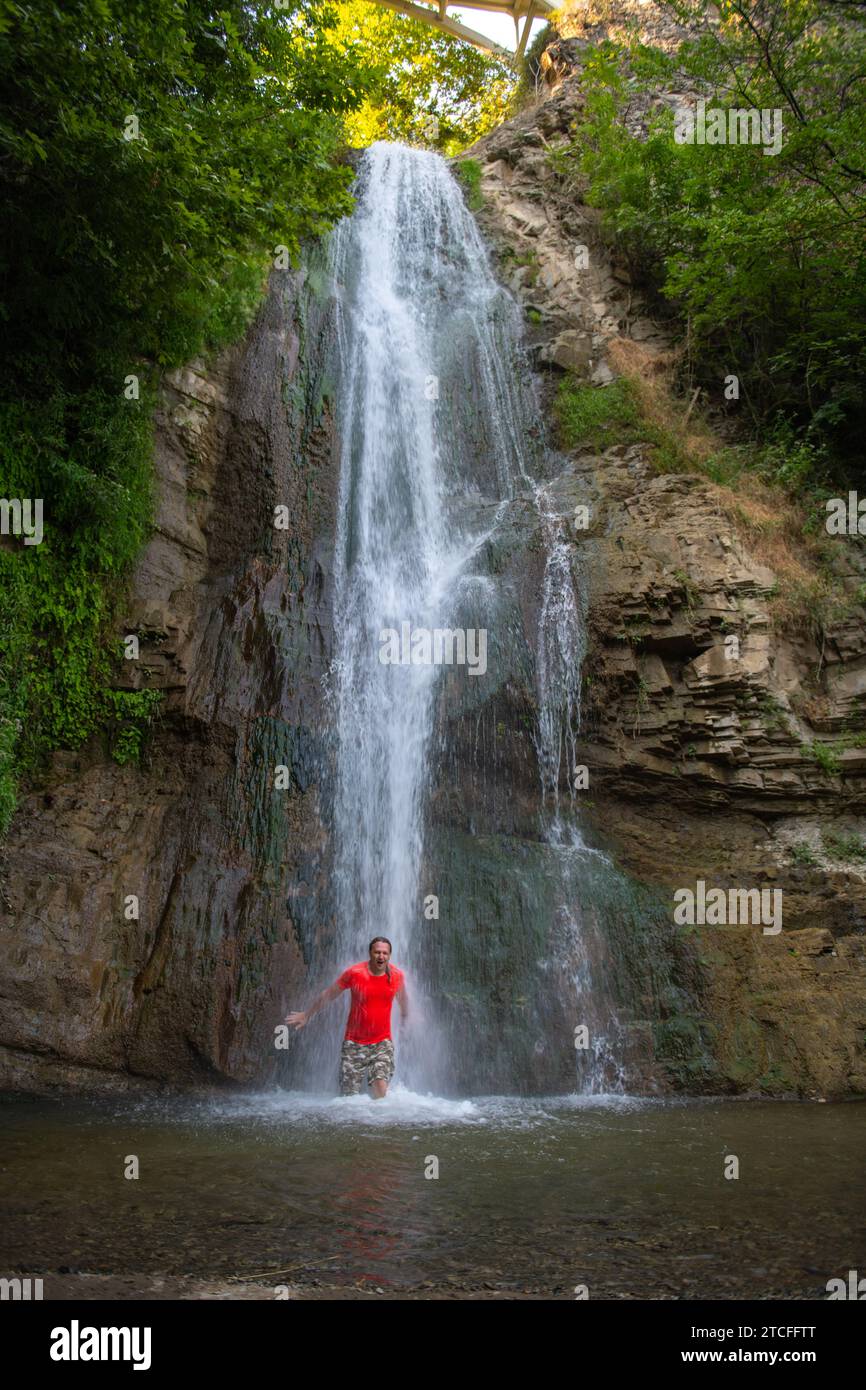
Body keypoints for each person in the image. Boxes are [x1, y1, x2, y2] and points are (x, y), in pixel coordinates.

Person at [285, 937, 408, 1099]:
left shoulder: (397, 976)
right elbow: (329, 994)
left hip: (382, 1043)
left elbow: (403, 999)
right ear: (370, 953)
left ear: (389, 955)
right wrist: (307, 1014)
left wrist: (406, 1018)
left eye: (385, 953)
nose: (381, 956)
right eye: (377, 952)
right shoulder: (355, 973)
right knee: (349, 1098)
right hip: (353, 1043)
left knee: (380, 1087)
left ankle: (380, 1122)